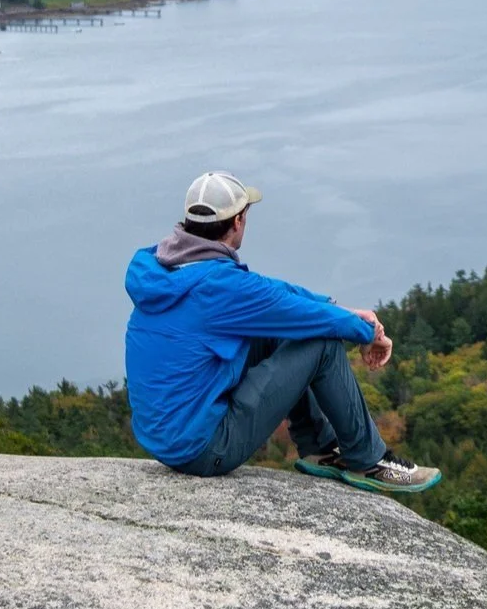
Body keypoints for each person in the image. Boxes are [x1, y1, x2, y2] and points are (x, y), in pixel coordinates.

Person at [124, 168, 441, 492]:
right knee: (322, 343)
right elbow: (287, 308)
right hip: (203, 449)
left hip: (166, 439)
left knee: (278, 329)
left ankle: (319, 447)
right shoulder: (220, 286)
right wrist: (366, 332)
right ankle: (368, 460)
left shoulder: (161, 266)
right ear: (238, 221)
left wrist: (340, 308)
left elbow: (273, 293)